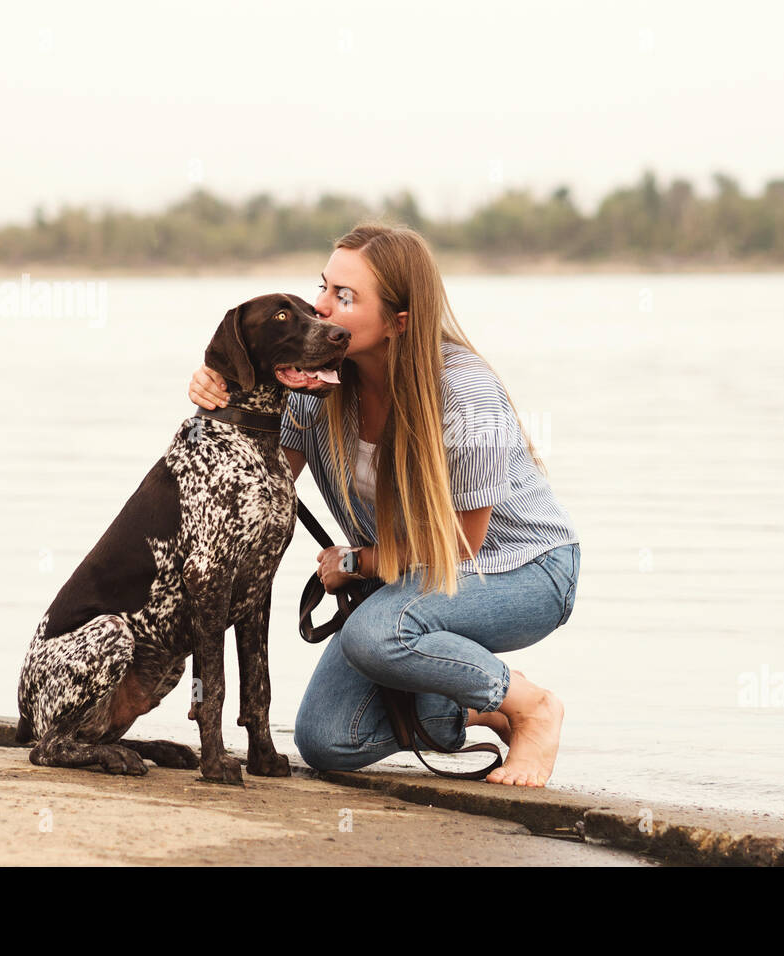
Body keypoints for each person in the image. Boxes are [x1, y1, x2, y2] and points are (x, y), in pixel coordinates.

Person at [187, 223, 579, 787]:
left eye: (344, 298)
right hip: (409, 574)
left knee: (376, 636)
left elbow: (463, 543)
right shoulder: (314, 382)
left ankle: (531, 707)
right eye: (323, 287)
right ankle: (475, 709)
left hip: (522, 569)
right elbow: (261, 482)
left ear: (399, 321)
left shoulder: (464, 392)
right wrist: (221, 389)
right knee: (327, 740)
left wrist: (359, 563)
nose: (320, 308)